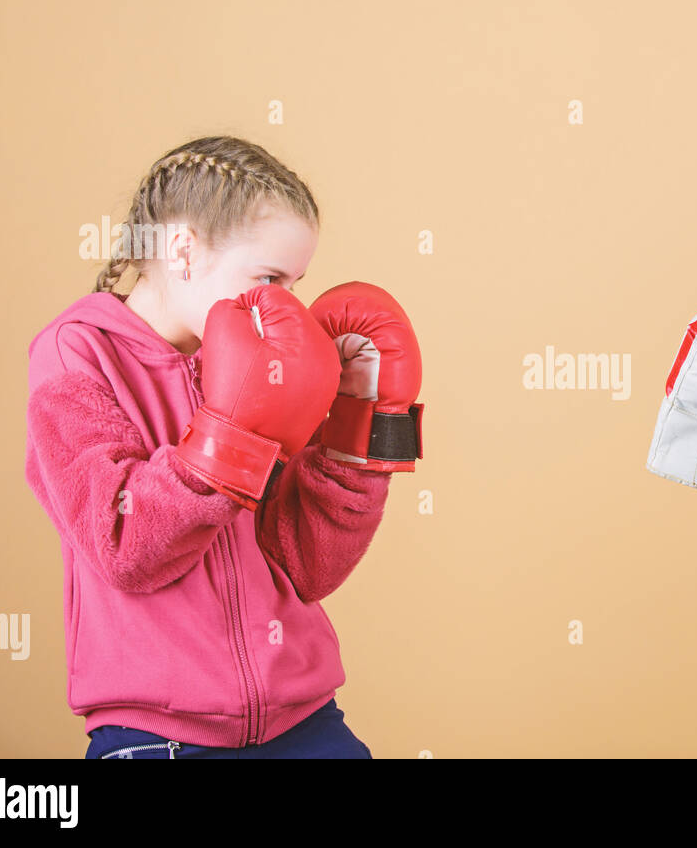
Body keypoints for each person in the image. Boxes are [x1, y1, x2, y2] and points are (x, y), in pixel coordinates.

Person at [25, 135, 417, 758]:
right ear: (182, 249)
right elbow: (123, 546)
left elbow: (306, 566)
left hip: (305, 721)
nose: (285, 304)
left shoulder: (264, 365)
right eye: (268, 278)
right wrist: (226, 434)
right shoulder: (75, 355)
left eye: (295, 283)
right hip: (157, 736)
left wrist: (355, 435)